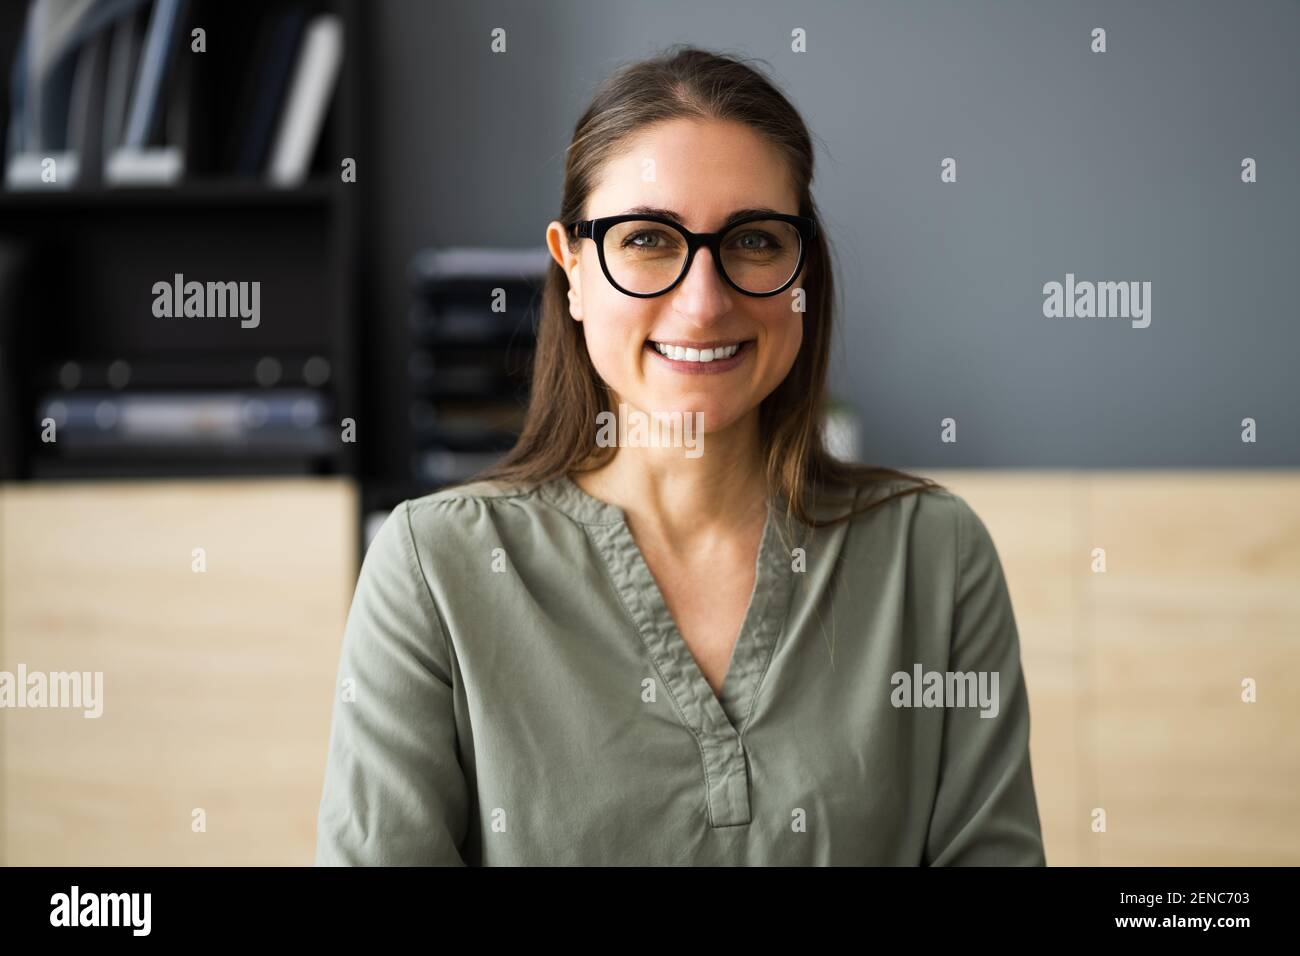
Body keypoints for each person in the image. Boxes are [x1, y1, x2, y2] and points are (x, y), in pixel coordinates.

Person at [315, 45, 1045, 866]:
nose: (704, 303)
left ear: (804, 269)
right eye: (649, 240)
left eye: (756, 241)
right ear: (574, 268)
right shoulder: (433, 567)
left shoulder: (935, 557)